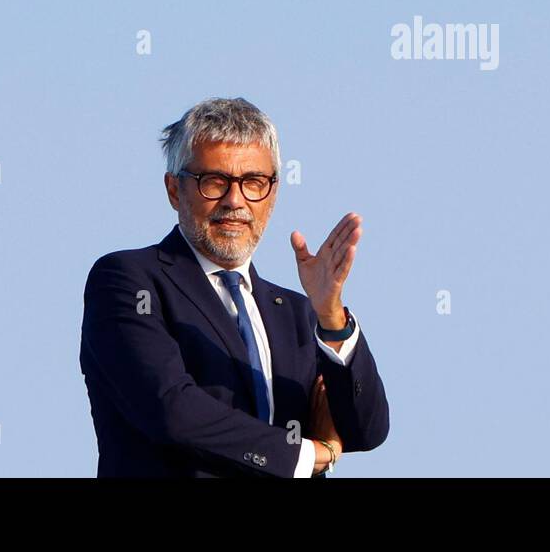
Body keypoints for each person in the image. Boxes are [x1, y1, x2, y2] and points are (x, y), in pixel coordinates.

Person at [80, 97, 390, 477]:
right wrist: (308, 455)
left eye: (253, 183)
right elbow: (171, 410)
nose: (235, 201)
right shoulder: (129, 280)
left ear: (272, 194)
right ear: (175, 190)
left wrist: (331, 314)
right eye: (214, 181)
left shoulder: (297, 313)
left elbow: (366, 429)